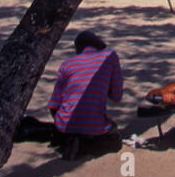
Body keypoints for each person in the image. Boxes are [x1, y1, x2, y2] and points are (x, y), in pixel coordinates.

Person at [47, 30, 124, 159]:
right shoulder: (110, 56)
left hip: (64, 124)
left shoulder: (67, 64)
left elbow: (54, 105)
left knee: (70, 126)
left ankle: (71, 139)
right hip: (95, 126)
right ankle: (86, 144)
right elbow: (117, 96)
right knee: (113, 133)